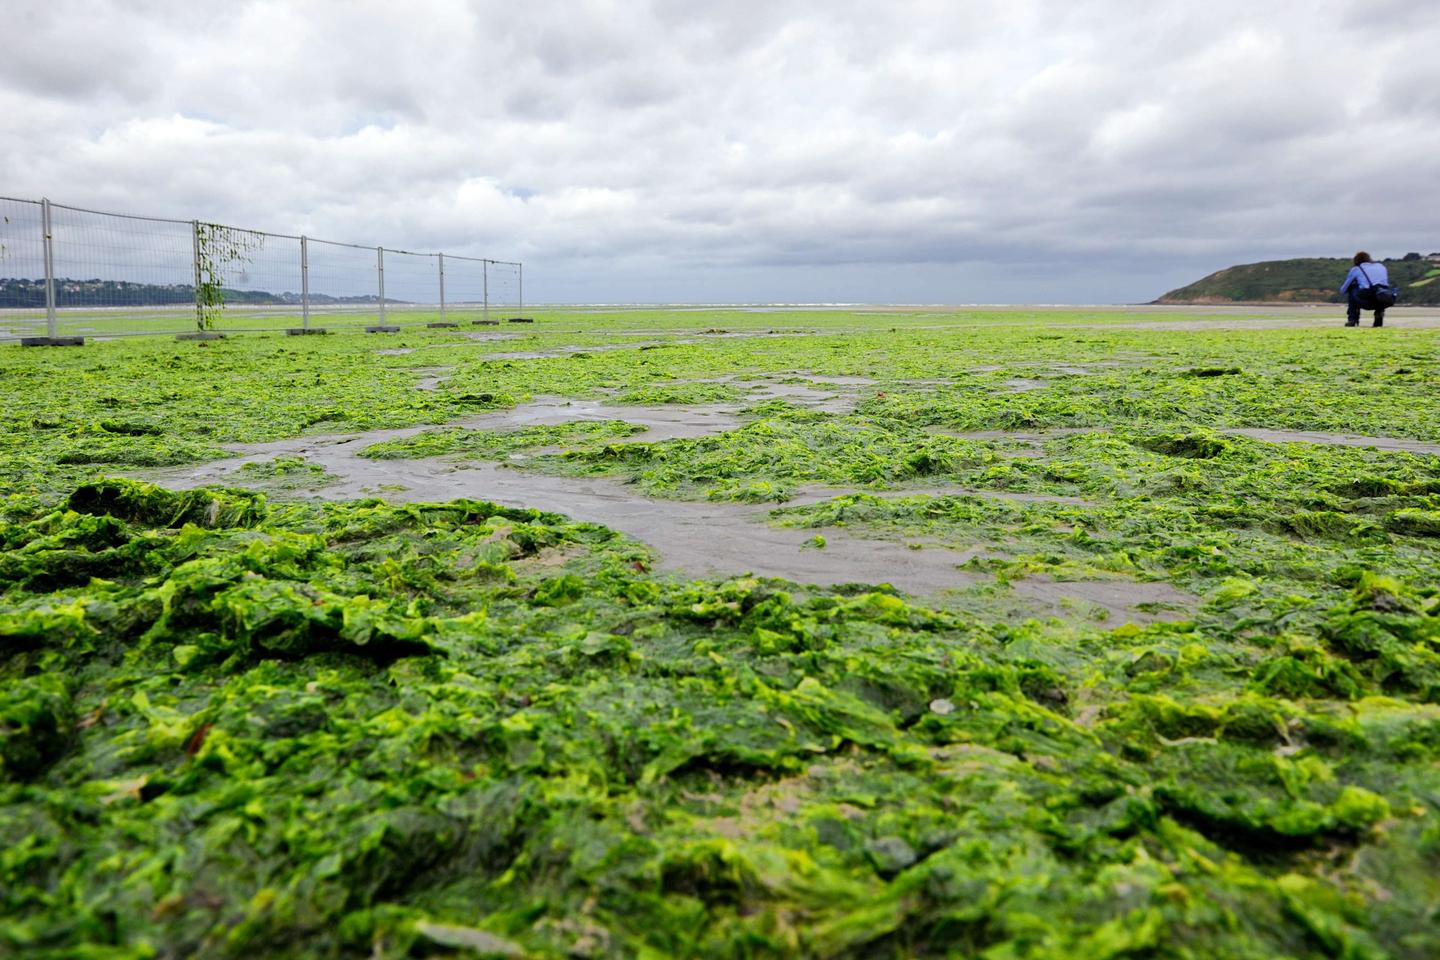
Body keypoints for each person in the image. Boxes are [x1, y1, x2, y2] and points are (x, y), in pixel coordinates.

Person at [1340, 252, 1389, 327]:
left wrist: (1355, 283)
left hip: (1367, 300)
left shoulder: (1356, 269)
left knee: (1352, 288)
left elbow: (1343, 290)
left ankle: (1352, 319)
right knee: (1379, 291)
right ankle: (1378, 317)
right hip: (1384, 299)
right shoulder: (1381, 266)